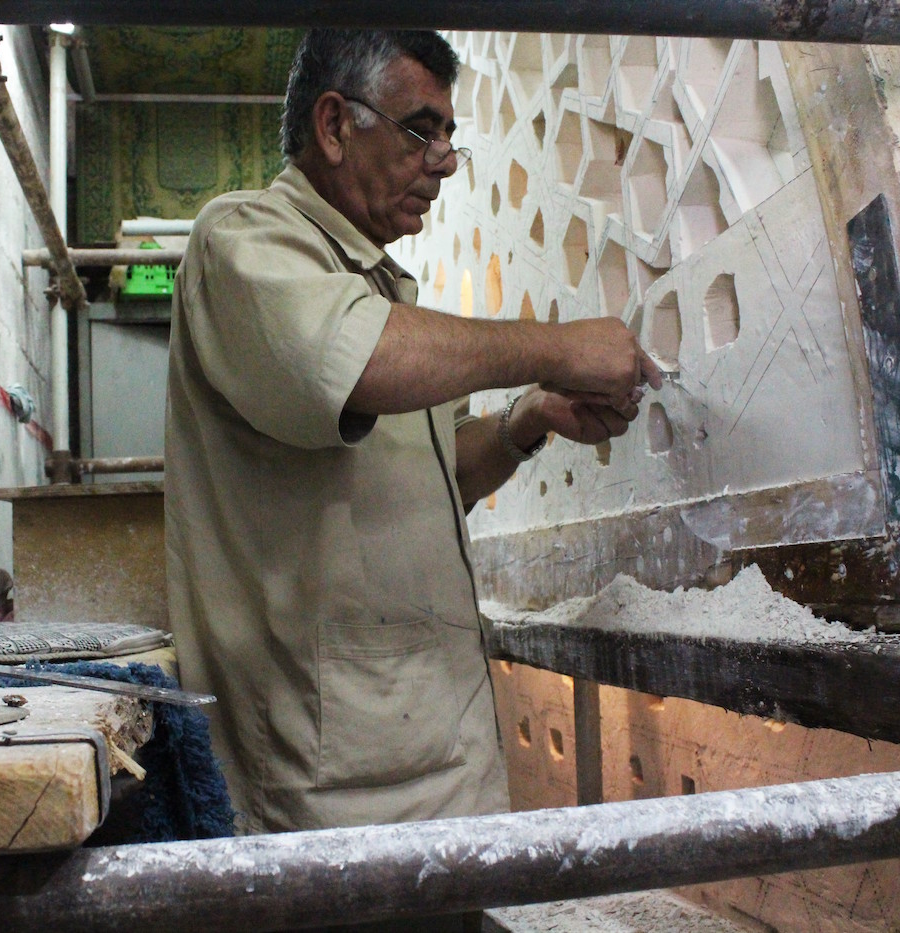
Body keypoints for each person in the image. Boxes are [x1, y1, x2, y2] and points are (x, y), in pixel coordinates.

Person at [165, 28, 660, 836]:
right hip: (328, 787)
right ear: (334, 125)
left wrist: (528, 417)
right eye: (419, 130)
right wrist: (558, 342)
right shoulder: (243, 240)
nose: (444, 160)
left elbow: (429, 483)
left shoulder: (379, 288)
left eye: (449, 137)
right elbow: (362, 363)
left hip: (433, 760)